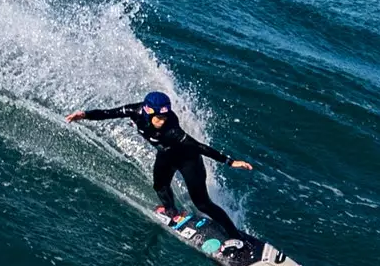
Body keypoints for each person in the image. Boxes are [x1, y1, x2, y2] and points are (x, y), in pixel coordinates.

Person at [67, 91, 256, 242]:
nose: (163, 120)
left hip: (189, 160)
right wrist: (84, 115)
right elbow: (108, 113)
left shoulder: (172, 129)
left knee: (203, 204)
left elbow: (199, 146)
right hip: (166, 156)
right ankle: (171, 211)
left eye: (165, 116)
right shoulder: (135, 111)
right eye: (159, 117)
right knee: (159, 186)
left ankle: (235, 236)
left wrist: (230, 162)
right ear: (148, 111)